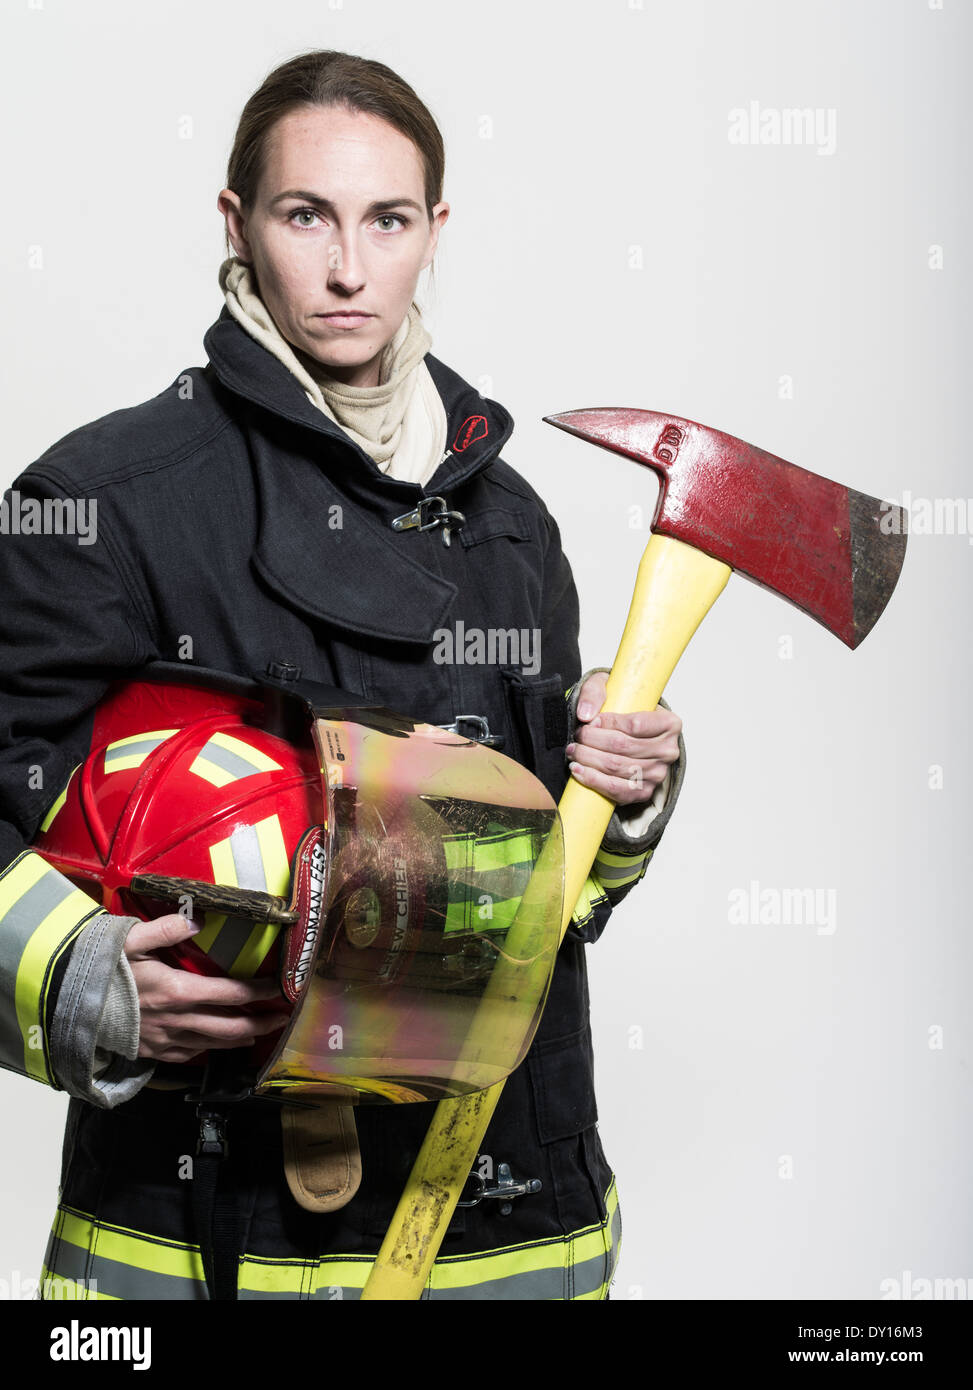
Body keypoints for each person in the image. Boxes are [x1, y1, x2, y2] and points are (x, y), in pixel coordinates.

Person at [0, 48, 685, 1301]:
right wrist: (79, 976)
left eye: (387, 219)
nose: (348, 267)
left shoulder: (514, 526)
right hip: (201, 1234)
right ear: (237, 222)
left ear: (435, 229)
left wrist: (623, 796)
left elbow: (550, 906)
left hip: (514, 1225)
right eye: (304, 214)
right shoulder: (99, 503)